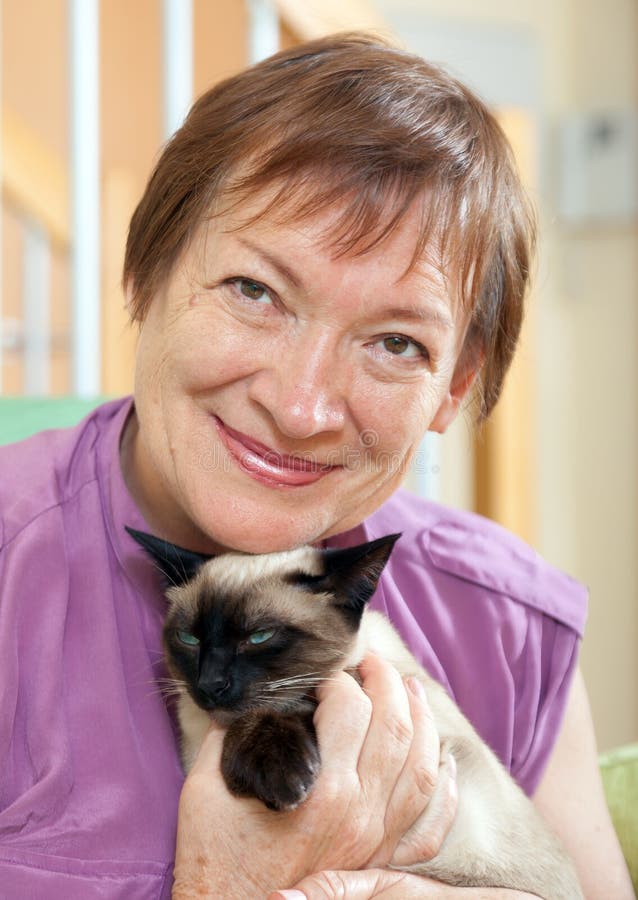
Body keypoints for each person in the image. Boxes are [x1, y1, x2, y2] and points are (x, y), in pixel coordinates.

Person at [0, 33, 632, 900]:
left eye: (396, 343)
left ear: (454, 389)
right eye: (255, 291)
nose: (301, 408)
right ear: (145, 273)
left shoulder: (505, 622)